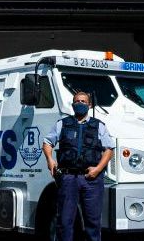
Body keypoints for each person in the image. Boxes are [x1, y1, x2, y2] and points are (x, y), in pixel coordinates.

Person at [42, 91, 115, 241]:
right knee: (64, 221)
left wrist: (98, 169)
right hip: (68, 178)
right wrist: (50, 159)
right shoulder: (63, 123)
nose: (80, 104)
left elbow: (109, 149)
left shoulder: (98, 126)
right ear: (73, 104)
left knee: (93, 222)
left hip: (91, 180)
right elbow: (47, 143)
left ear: (90, 105)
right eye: (77, 101)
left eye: (83, 101)